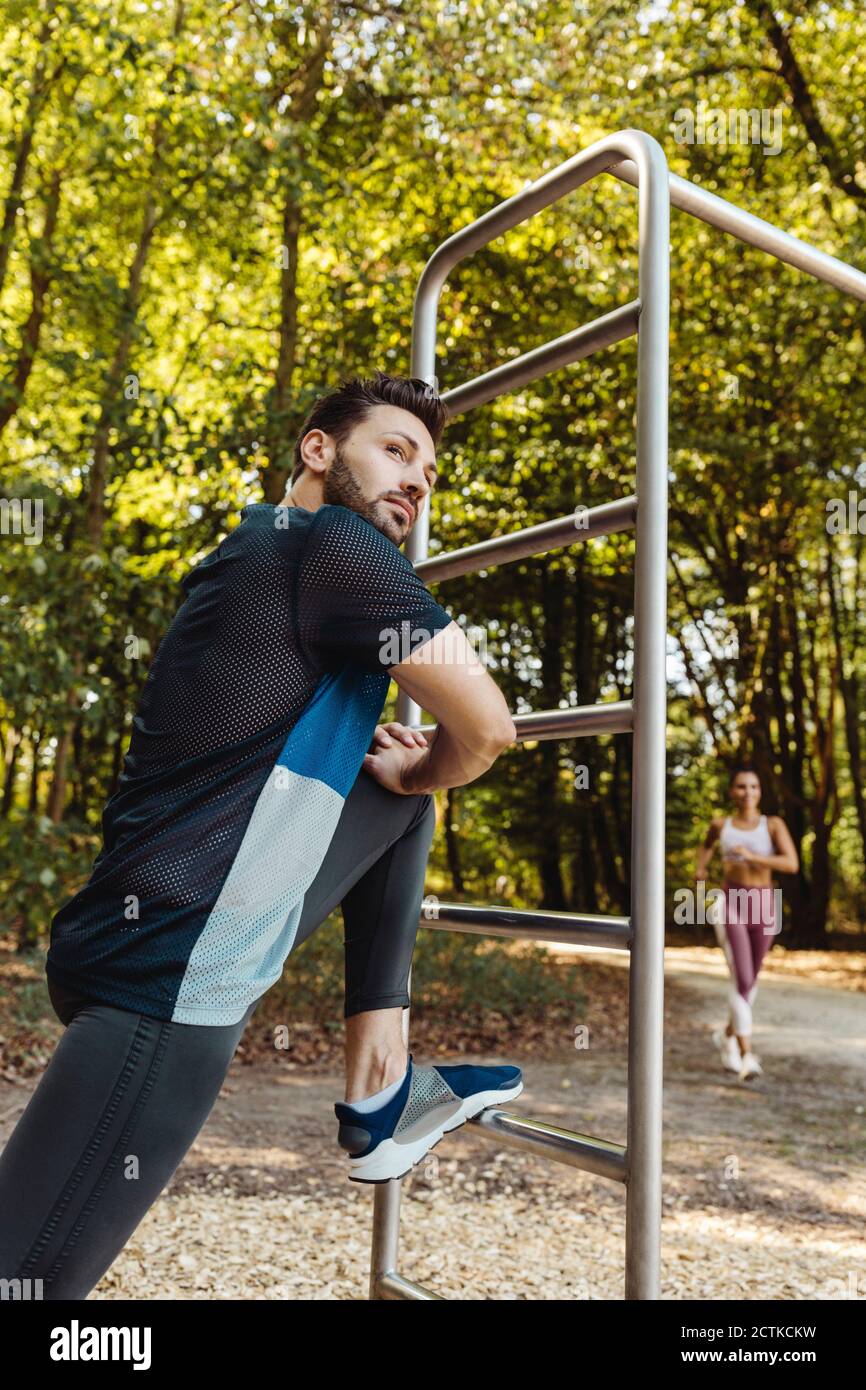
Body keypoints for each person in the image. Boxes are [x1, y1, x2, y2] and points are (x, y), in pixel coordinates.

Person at [0, 371, 523, 1300]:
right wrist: (423, 765)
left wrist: (399, 776)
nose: (416, 479)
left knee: (398, 803)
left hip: (153, 940)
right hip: (164, 980)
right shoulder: (335, 545)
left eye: (430, 472)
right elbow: (486, 728)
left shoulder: (263, 547)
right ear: (318, 449)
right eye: (395, 450)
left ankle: (380, 1089)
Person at [695, 763, 798, 1081]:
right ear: (732, 791)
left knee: (750, 981)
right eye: (741, 786)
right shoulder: (721, 824)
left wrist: (753, 857)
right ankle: (747, 1055)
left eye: (753, 786)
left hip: (765, 904)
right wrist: (700, 869)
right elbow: (706, 846)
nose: (747, 792)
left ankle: (726, 1035)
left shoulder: (773, 825)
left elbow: (791, 863)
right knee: (742, 978)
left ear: (760, 791)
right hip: (731, 902)